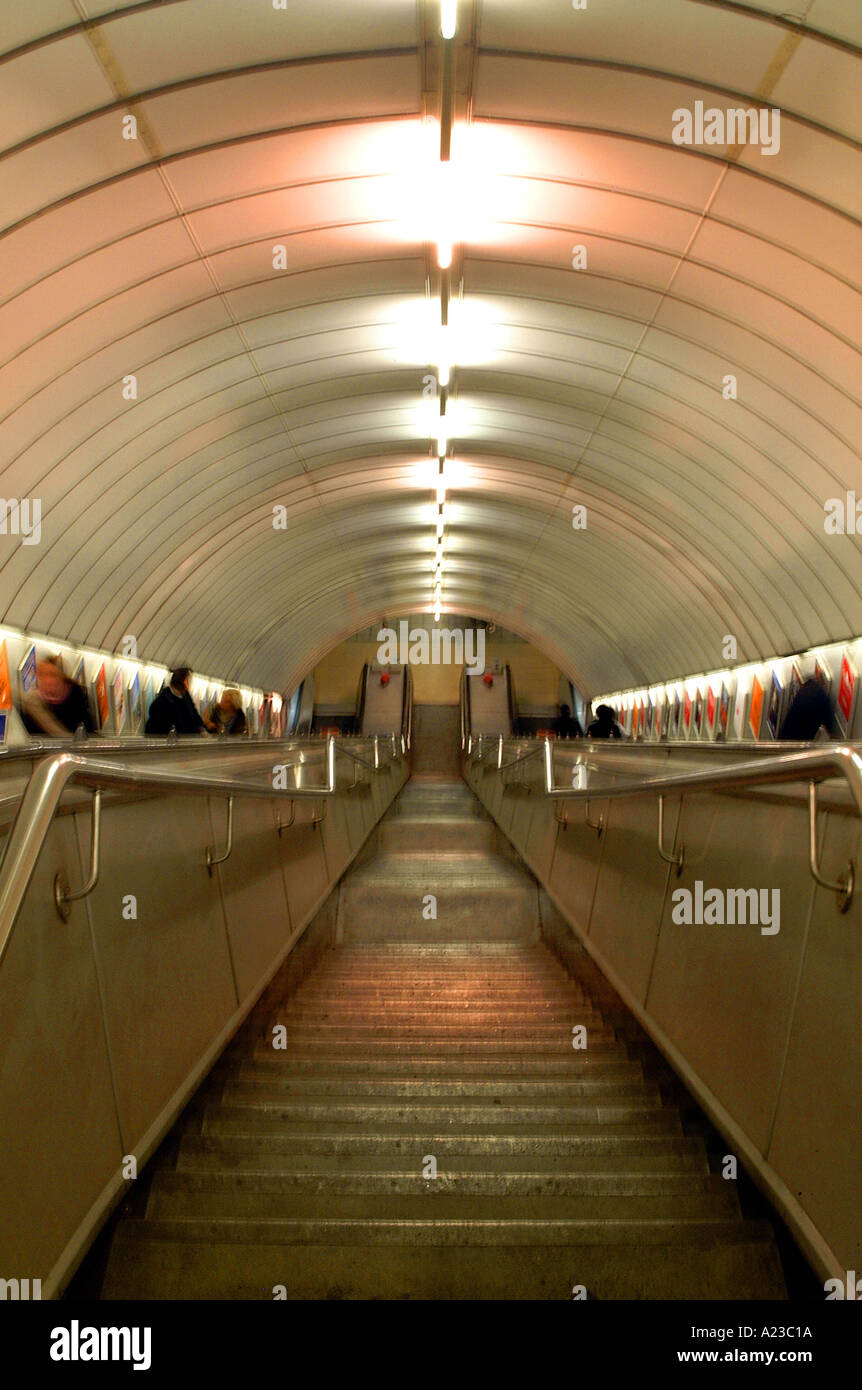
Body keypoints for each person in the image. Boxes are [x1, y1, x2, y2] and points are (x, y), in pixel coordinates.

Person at [21, 656, 95, 737]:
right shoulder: (33, 702)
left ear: (61, 676)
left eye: (52, 675)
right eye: (42, 675)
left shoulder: (76, 695)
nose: (47, 680)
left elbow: (88, 729)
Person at [145, 666, 209, 736]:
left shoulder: (186, 696)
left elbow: (194, 713)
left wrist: (201, 728)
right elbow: (159, 721)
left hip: (186, 738)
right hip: (165, 740)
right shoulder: (163, 700)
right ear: (181, 682)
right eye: (188, 680)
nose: (190, 684)